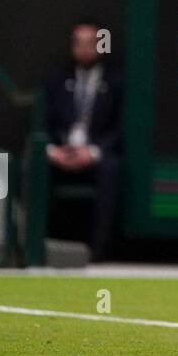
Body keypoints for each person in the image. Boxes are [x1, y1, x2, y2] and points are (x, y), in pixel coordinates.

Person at [43, 16, 124, 261]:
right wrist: (52, 150)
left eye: (91, 43)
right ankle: (38, 245)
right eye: (80, 43)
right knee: (36, 167)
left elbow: (121, 127)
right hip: (62, 153)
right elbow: (44, 123)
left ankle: (98, 251)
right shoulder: (57, 79)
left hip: (96, 154)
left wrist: (94, 151)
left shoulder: (116, 81)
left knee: (112, 169)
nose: (85, 48)